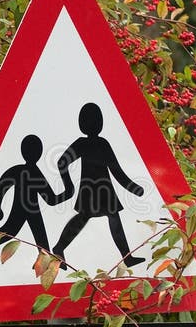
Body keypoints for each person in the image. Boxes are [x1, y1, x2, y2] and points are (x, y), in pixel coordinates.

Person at [52, 102, 146, 267]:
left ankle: (127, 257)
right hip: (98, 189)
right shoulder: (96, 143)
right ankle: (59, 247)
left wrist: (133, 188)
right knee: (95, 217)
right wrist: (133, 188)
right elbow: (117, 171)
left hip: (97, 189)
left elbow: (115, 169)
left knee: (104, 217)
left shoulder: (93, 143)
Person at [0, 134, 71, 263]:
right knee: (13, 231)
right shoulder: (31, 172)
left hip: (31, 209)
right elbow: (2, 186)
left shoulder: (21, 170)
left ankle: (49, 264)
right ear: (39, 153)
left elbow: (1, 186)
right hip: (24, 208)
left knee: (37, 236)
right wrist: (67, 193)